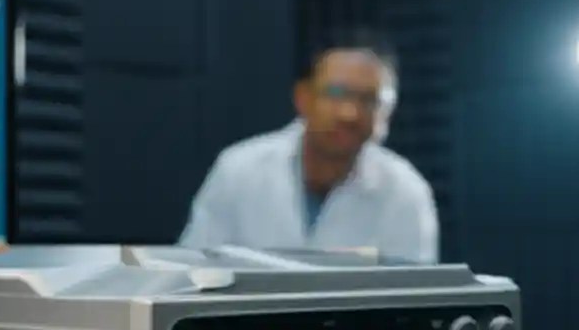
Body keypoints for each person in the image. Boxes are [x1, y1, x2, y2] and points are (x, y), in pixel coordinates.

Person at [178, 35, 439, 263]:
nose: (349, 113)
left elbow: (414, 304)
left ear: (389, 112)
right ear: (303, 97)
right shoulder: (238, 170)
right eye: (336, 93)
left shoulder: (406, 192)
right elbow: (192, 272)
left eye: (369, 99)